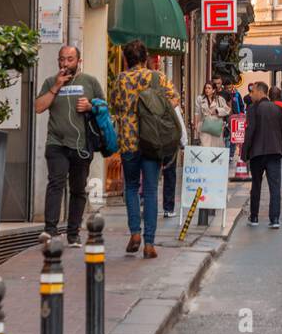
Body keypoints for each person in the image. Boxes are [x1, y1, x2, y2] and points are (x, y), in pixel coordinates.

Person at [110, 39, 180, 259]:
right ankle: (149, 243)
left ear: (126, 59)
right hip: (153, 140)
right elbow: (175, 100)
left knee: (131, 187)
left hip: (128, 141)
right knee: (150, 191)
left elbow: (114, 105)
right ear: (145, 58)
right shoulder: (157, 77)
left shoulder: (121, 79)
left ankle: (135, 233)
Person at [35, 46, 104, 247]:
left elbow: (104, 109)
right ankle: (50, 229)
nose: (65, 63)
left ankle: (73, 233)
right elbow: (39, 107)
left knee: (77, 189)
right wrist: (55, 87)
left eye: (70, 59)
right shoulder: (50, 82)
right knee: (56, 182)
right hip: (56, 143)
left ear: (78, 61)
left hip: (81, 145)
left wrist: (91, 107)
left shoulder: (90, 82)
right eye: (62, 59)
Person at [242, 83, 282, 226]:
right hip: (274, 152)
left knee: (256, 185)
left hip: (257, 153)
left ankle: (254, 217)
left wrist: (244, 153)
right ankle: (274, 219)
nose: (250, 94)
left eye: (252, 91)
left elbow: (250, 131)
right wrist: (279, 148)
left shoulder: (253, 109)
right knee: (275, 187)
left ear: (260, 92)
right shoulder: (278, 109)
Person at [194, 81, 230, 147]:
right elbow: (197, 112)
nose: (207, 90)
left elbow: (227, 110)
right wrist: (196, 124)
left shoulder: (219, 99)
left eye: (209, 88)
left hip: (216, 126)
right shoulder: (200, 98)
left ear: (213, 90)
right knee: (204, 146)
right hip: (205, 125)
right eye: (206, 88)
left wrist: (217, 111)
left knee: (216, 147)